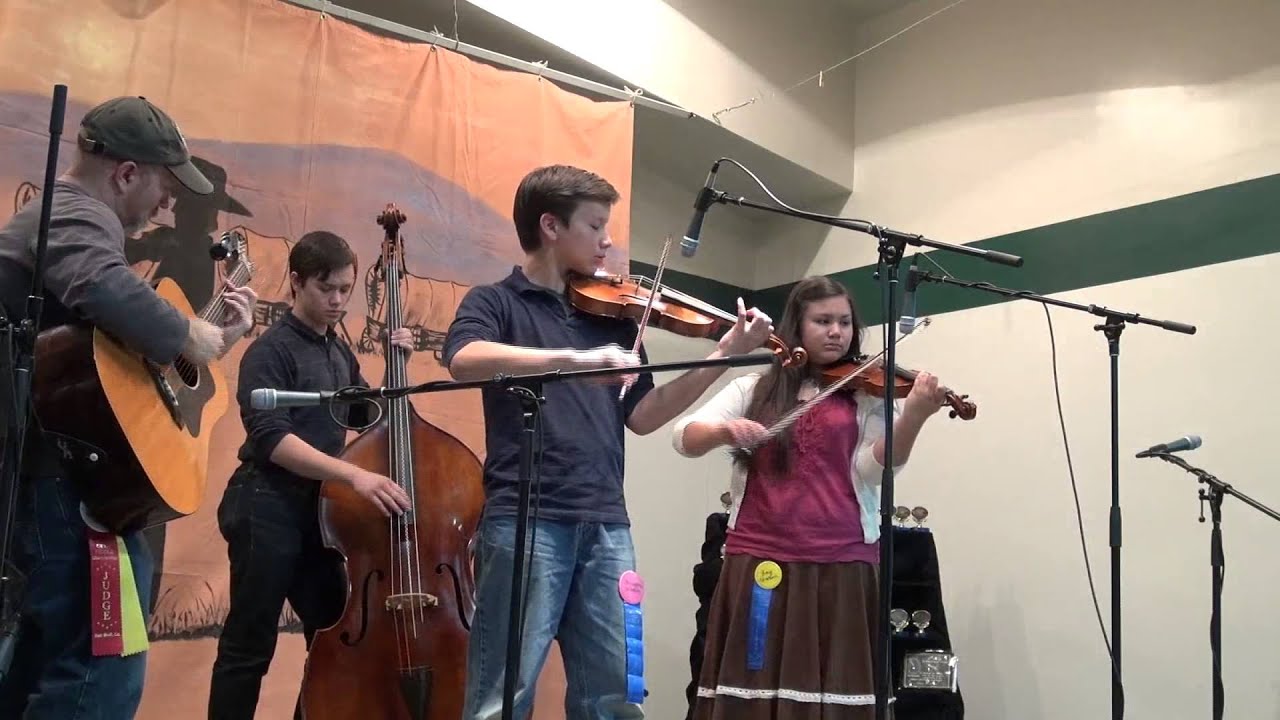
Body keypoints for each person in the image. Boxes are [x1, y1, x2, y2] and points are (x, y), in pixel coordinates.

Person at [442, 164, 774, 720]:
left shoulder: (614, 321)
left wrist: (724, 356)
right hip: (526, 521)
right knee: (502, 695)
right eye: (595, 226)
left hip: (606, 525)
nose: (608, 240)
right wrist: (575, 362)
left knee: (618, 693)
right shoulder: (497, 303)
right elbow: (462, 360)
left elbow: (644, 416)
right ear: (551, 226)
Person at [0, 95, 257, 719]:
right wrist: (190, 335)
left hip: (65, 471)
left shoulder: (73, 218)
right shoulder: (75, 214)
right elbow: (102, 286)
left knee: (37, 666)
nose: (167, 205)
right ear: (125, 174)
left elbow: (96, 348)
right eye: (166, 188)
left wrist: (207, 341)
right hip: (63, 479)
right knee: (101, 675)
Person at [670, 276, 948, 720]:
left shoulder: (866, 395)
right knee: (754, 690)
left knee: (835, 692)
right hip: (760, 561)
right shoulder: (753, 389)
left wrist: (913, 416)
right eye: (822, 321)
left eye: (844, 322)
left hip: (841, 562)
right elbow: (684, 437)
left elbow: (875, 469)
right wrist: (727, 430)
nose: (837, 332)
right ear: (797, 327)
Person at [207, 230, 413, 720]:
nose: (339, 300)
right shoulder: (270, 351)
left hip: (317, 514)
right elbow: (273, 441)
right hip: (265, 502)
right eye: (327, 289)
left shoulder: (337, 352)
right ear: (296, 282)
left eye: (346, 288)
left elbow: (366, 416)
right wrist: (353, 477)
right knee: (248, 647)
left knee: (333, 639)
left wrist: (396, 367)